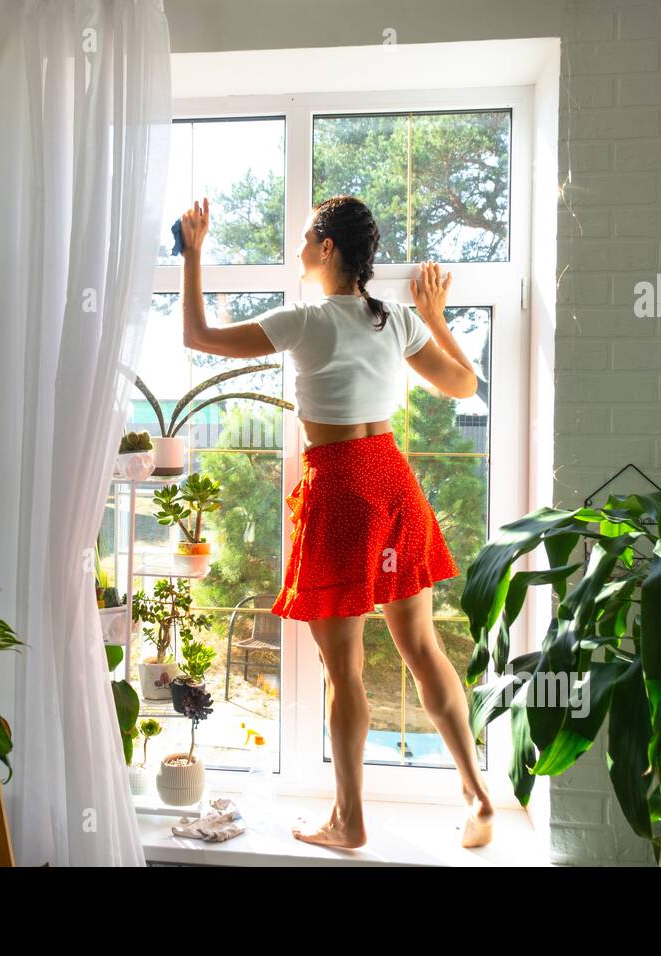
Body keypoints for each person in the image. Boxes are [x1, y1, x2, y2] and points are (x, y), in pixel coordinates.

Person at [177, 194, 495, 851]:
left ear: (327, 247)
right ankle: (477, 794)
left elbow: (199, 338)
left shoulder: (305, 320)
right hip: (394, 482)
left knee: (344, 671)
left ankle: (349, 821)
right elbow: (467, 385)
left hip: (343, 488)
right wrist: (435, 318)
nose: (297, 251)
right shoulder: (396, 320)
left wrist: (195, 253)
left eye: (304, 239)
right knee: (422, 648)